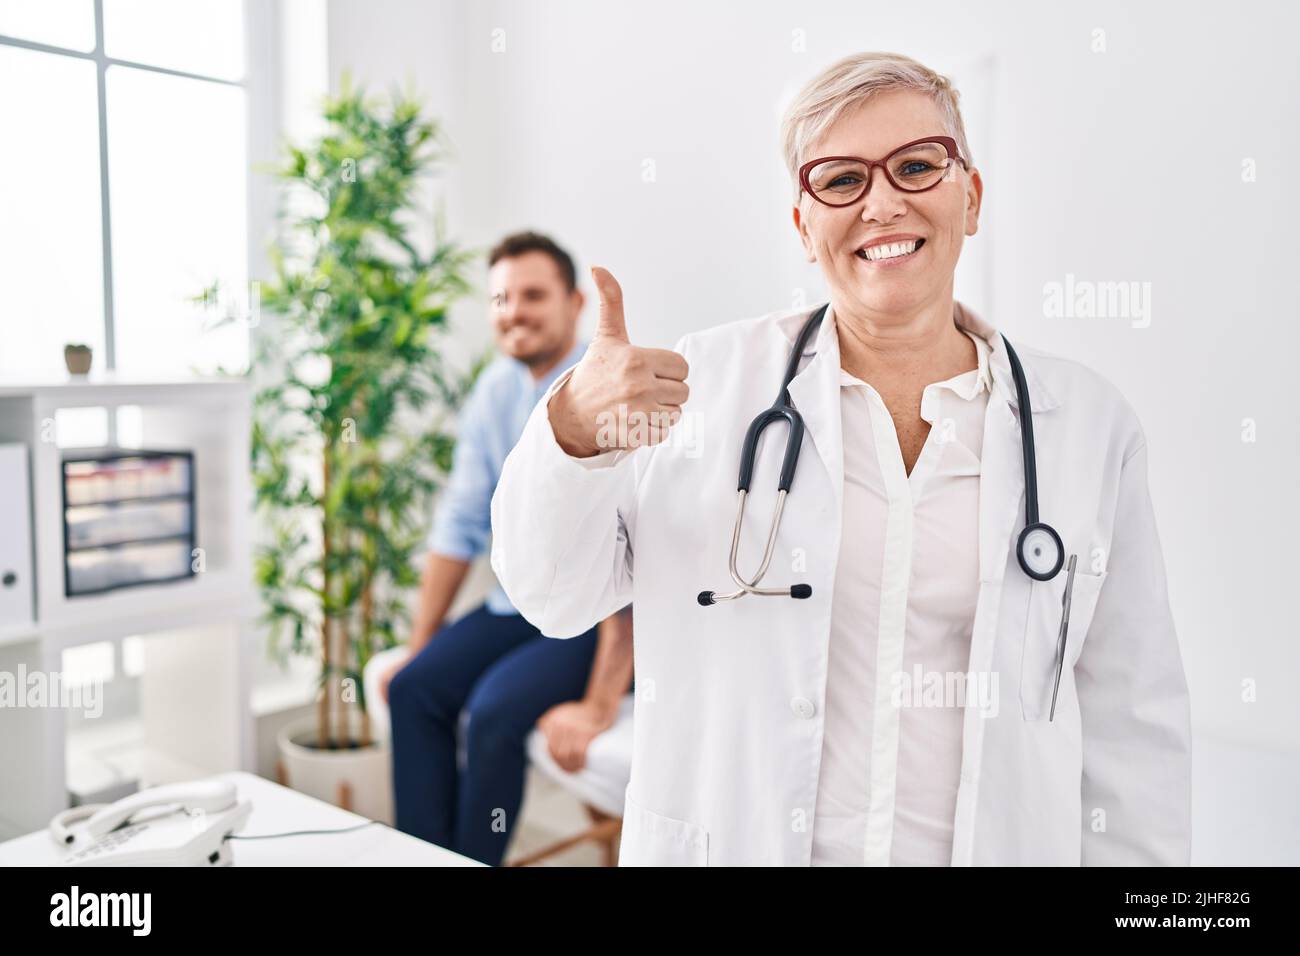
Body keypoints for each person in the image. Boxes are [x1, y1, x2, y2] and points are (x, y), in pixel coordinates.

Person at [490, 53, 1190, 866]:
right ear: (802, 224)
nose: (883, 202)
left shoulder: (1087, 426)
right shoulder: (703, 389)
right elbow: (553, 597)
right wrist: (572, 426)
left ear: (971, 197)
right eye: (840, 180)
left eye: (918, 166)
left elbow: (1131, 724)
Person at [385, 231, 634, 866]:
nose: (513, 311)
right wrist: (423, 645)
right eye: (500, 298)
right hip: (515, 609)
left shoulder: (608, 388)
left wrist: (599, 703)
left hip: (589, 619)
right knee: (414, 688)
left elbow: (634, 554)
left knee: (492, 713)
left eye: (532, 295)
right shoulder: (494, 392)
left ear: (575, 303)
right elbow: (460, 526)